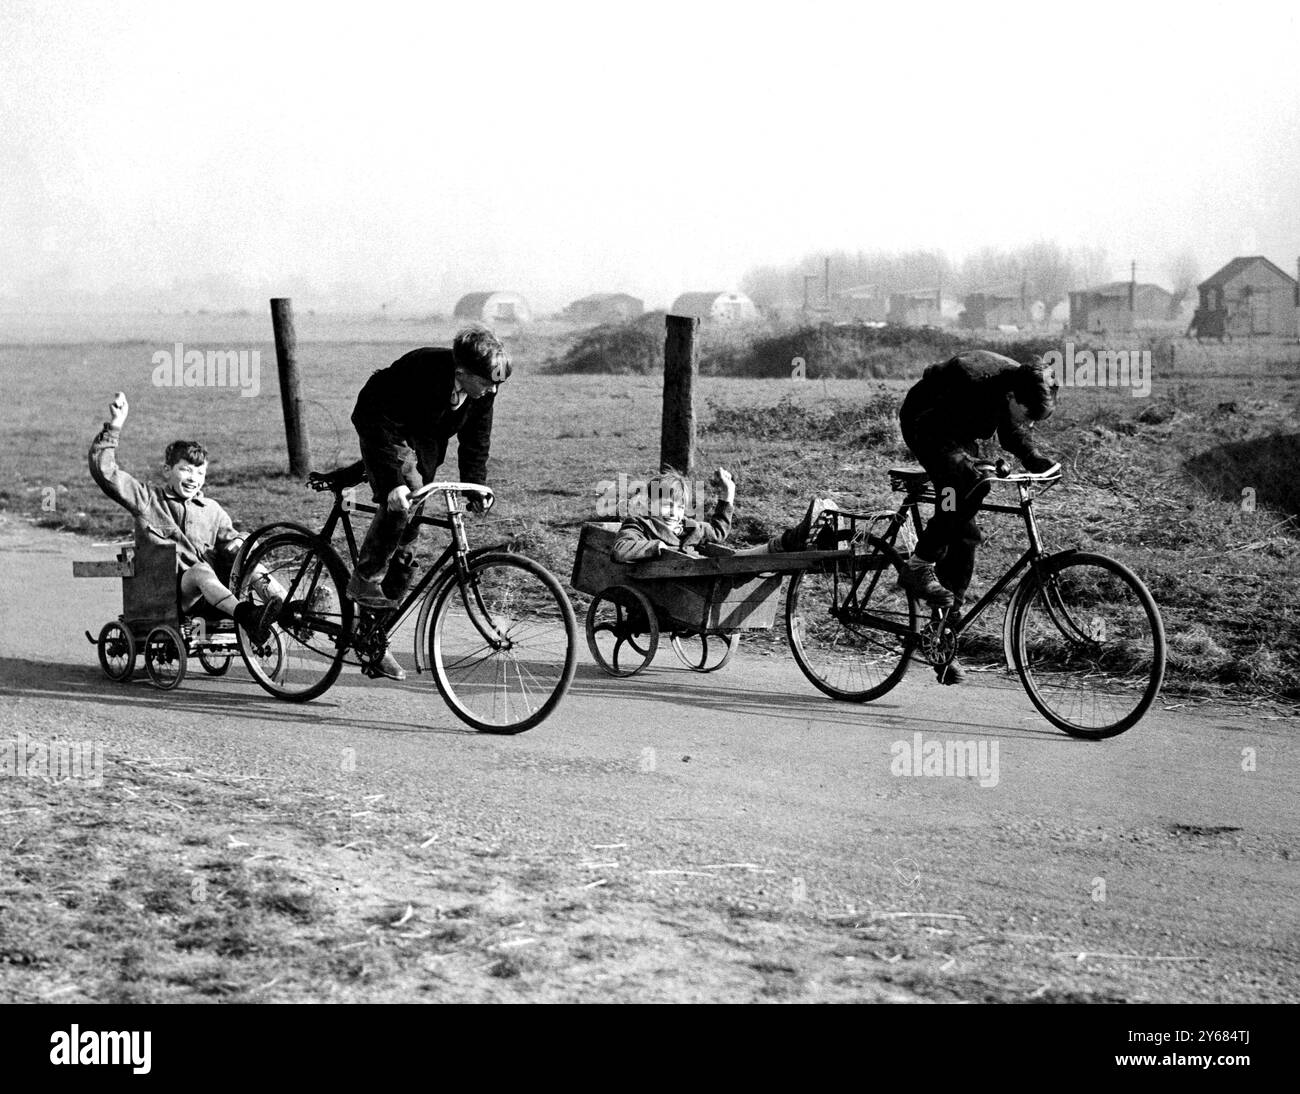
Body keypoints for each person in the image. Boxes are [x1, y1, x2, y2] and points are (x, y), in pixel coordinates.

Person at [344, 324, 511, 680]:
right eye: (487, 382)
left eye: (497, 383)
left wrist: (475, 487)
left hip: (423, 443)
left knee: (406, 550)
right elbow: (374, 421)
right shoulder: (423, 370)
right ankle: (364, 577)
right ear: (462, 372)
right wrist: (391, 483)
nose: (493, 390)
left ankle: (372, 638)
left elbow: (476, 439)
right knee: (405, 497)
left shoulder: (482, 390)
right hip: (382, 427)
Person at [897, 350, 1060, 684]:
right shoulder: (969, 381)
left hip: (957, 430)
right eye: (1028, 415)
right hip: (925, 422)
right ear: (1013, 396)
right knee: (960, 489)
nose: (1028, 423)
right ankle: (917, 567)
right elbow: (937, 432)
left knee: (965, 535)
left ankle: (940, 637)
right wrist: (967, 467)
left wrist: (1036, 460)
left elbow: (1011, 430)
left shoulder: (1016, 384)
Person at [89, 392, 282, 641]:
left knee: (247, 555)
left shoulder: (212, 510)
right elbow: (106, 473)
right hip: (171, 597)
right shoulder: (148, 500)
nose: (193, 478)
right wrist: (115, 425)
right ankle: (248, 617)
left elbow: (232, 542)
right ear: (167, 471)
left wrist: (241, 542)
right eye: (185, 470)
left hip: (217, 595)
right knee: (200, 570)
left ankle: (289, 610)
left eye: (199, 473)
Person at [610, 468, 833, 563]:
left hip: (708, 571)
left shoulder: (689, 527)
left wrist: (728, 494)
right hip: (689, 579)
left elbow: (717, 532)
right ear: (649, 504)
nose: (673, 513)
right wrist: (655, 546)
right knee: (741, 560)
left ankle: (804, 537)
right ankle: (799, 537)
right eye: (666, 505)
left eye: (678, 507)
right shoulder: (640, 524)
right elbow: (620, 550)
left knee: (753, 556)